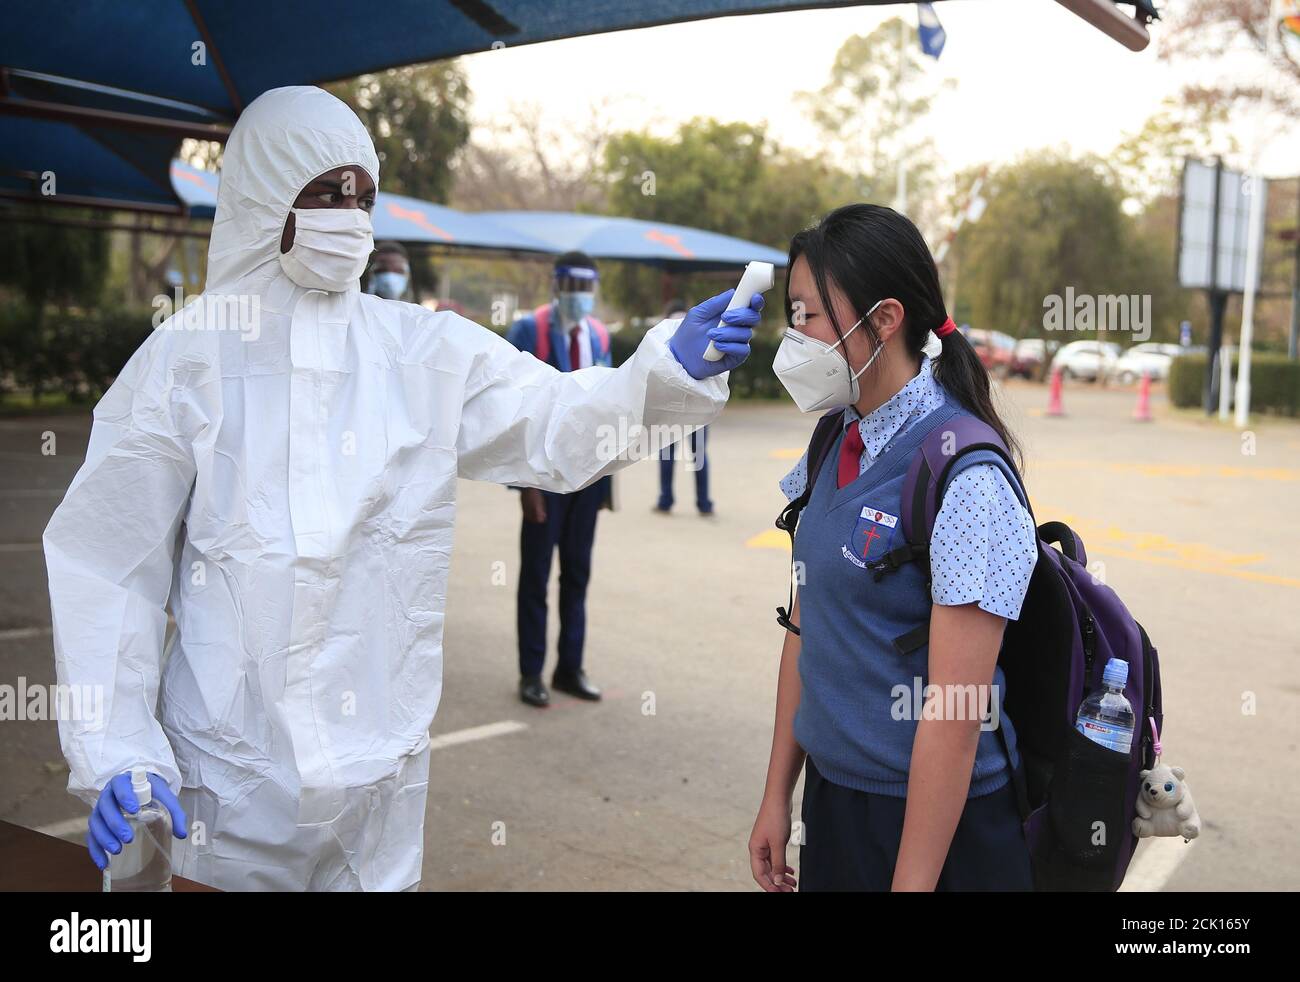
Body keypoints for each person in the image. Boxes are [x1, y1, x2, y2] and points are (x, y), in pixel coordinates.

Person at [44, 85, 762, 892]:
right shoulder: (188, 364)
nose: (349, 215)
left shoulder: (422, 352)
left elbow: (554, 421)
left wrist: (661, 376)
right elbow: (108, 566)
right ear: (265, 196)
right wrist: (120, 751)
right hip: (228, 792)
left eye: (363, 195)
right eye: (325, 193)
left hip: (380, 794)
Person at [747, 204, 1038, 892]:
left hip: (937, 832)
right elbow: (804, 628)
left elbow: (956, 714)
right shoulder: (832, 439)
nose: (796, 336)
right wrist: (775, 797)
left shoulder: (965, 475)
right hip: (837, 804)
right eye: (793, 314)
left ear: (884, 319)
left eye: (811, 315)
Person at [506, 253, 613, 707]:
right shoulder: (530, 330)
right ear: (555, 286)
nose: (578, 296)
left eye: (585, 287)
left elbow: (610, 404)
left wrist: (606, 480)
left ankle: (570, 666)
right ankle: (531, 671)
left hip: (587, 478)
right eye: (570, 287)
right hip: (544, 477)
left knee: (577, 574)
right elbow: (516, 407)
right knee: (536, 575)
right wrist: (525, 483)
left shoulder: (600, 334)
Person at [654, 299, 714, 517]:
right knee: (698, 455)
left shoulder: (663, 333)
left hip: (671, 404)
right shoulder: (698, 331)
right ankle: (704, 503)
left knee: (667, 453)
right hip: (696, 404)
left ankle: (665, 500)